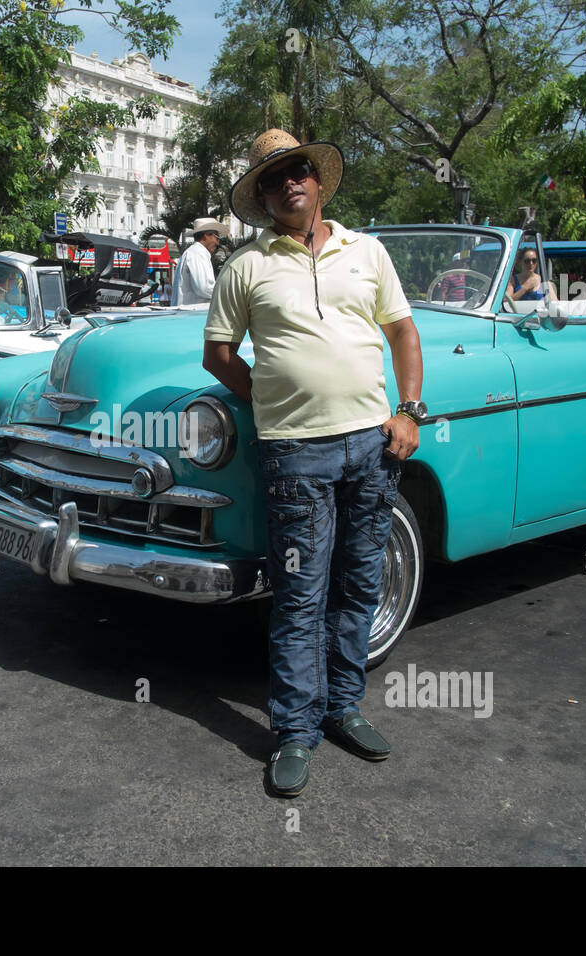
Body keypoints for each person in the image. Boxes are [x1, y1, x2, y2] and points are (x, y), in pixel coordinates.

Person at [201, 129, 424, 798]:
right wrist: (269, 399)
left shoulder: (369, 252)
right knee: (300, 596)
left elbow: (403, 333)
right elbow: (218, 355)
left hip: (374, 447)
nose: (289, 183)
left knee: (359, 584)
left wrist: (409, 410)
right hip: (297, 453)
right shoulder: (245, 267)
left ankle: (343, 709)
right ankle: (295, 732)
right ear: (263, 197)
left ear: (318, 181)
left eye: (298, 170)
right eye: (273, 179)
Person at [172, 217, 228, 306]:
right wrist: (227, 293)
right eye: (217, 238)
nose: (218, 243)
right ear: (206, 236)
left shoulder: (193, 252)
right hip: (193, 313)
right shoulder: (198, 253)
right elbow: (204, 288)